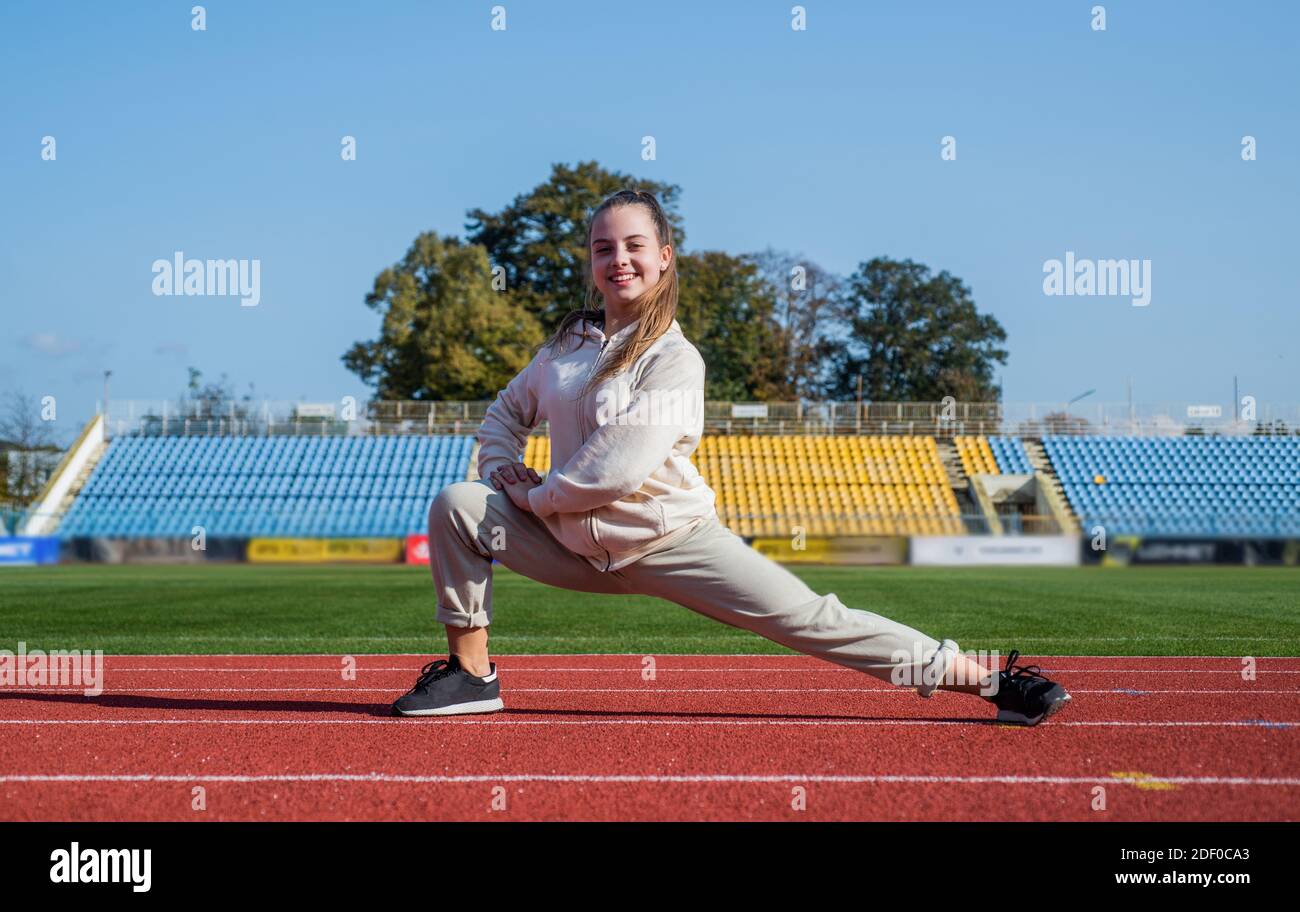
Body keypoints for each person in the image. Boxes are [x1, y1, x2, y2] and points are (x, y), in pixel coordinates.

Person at [392, 188, 1071, 726]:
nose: (618, 259)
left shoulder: (676, 361)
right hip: (568, 545)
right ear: (592, 263)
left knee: (813, 619)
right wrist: (502, 465)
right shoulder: (564, 348)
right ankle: (472, 678)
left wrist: (534, 498)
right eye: (604, 248)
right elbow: (504, 414)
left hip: (669, 543)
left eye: (634, 245)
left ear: (664, 257)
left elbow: (613, 471)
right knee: (458, 505)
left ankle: (988, 681)